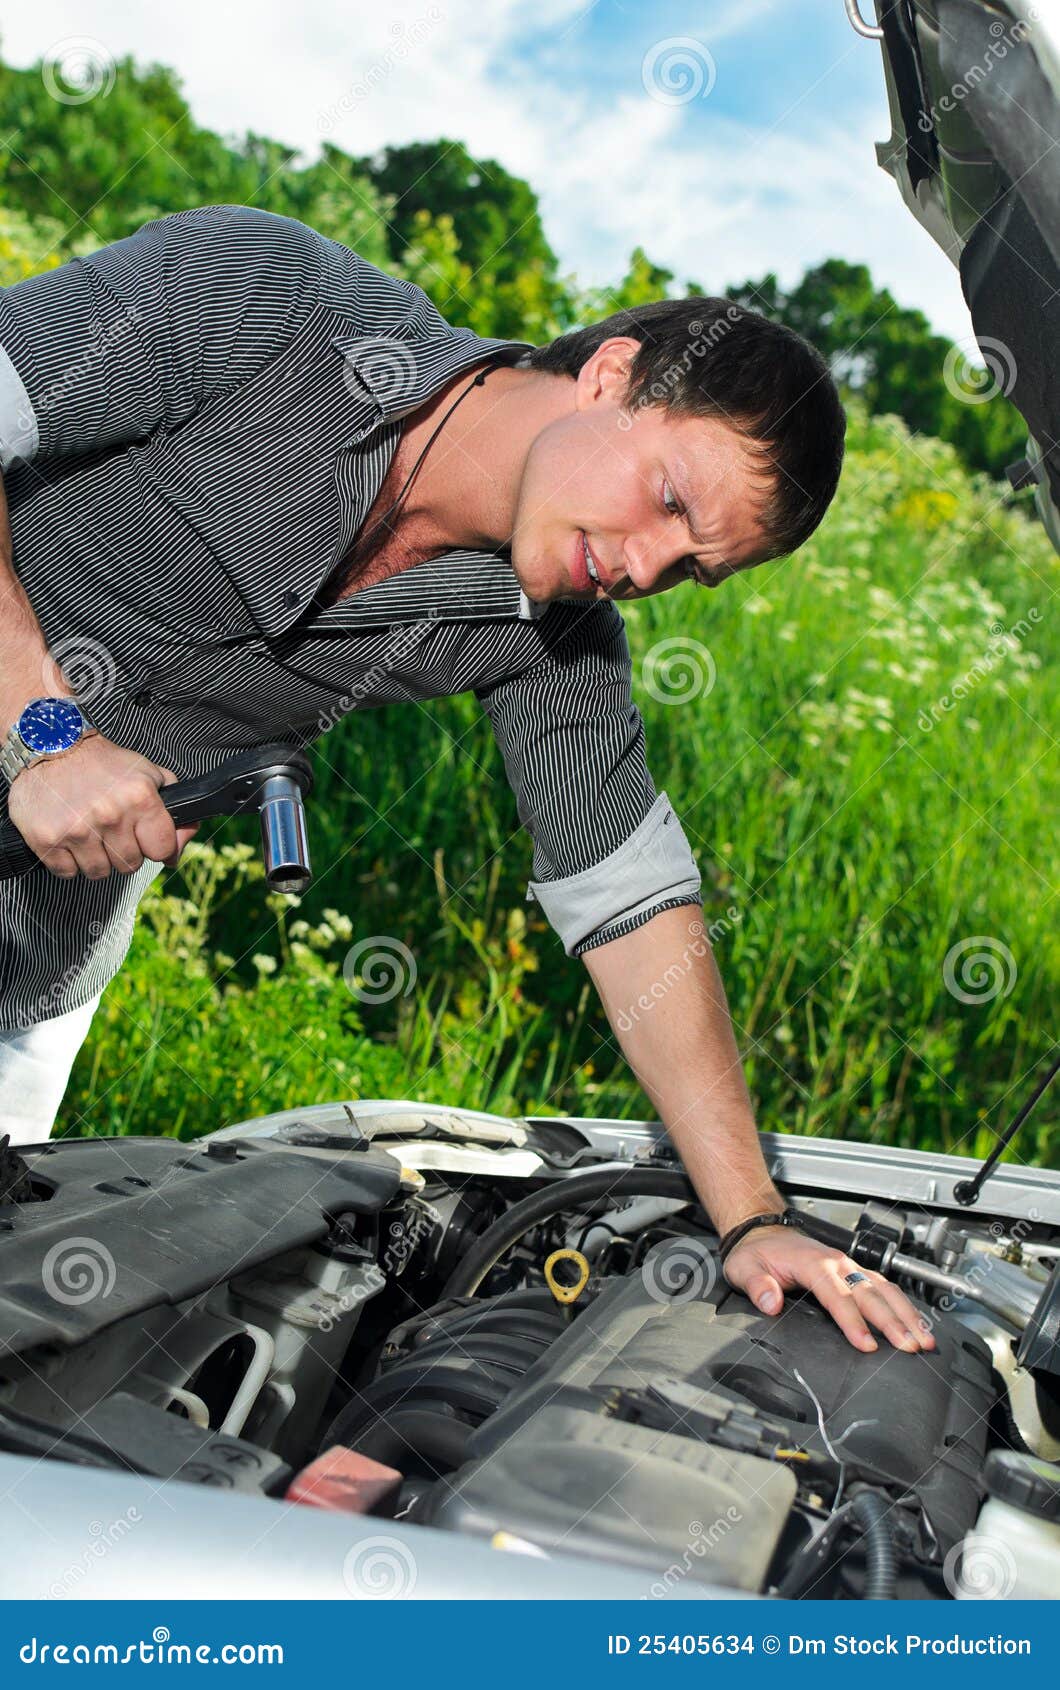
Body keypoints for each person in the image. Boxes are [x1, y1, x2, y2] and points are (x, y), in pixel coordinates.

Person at [0, 203, 932, 1356]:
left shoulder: (552, 632)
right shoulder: (266, 293)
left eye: (690, 569)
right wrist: (40, 731)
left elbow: (635, 908)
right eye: (671, 500)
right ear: (609, 376)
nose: (643, 565)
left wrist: (751, 1215)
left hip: (29, 963)